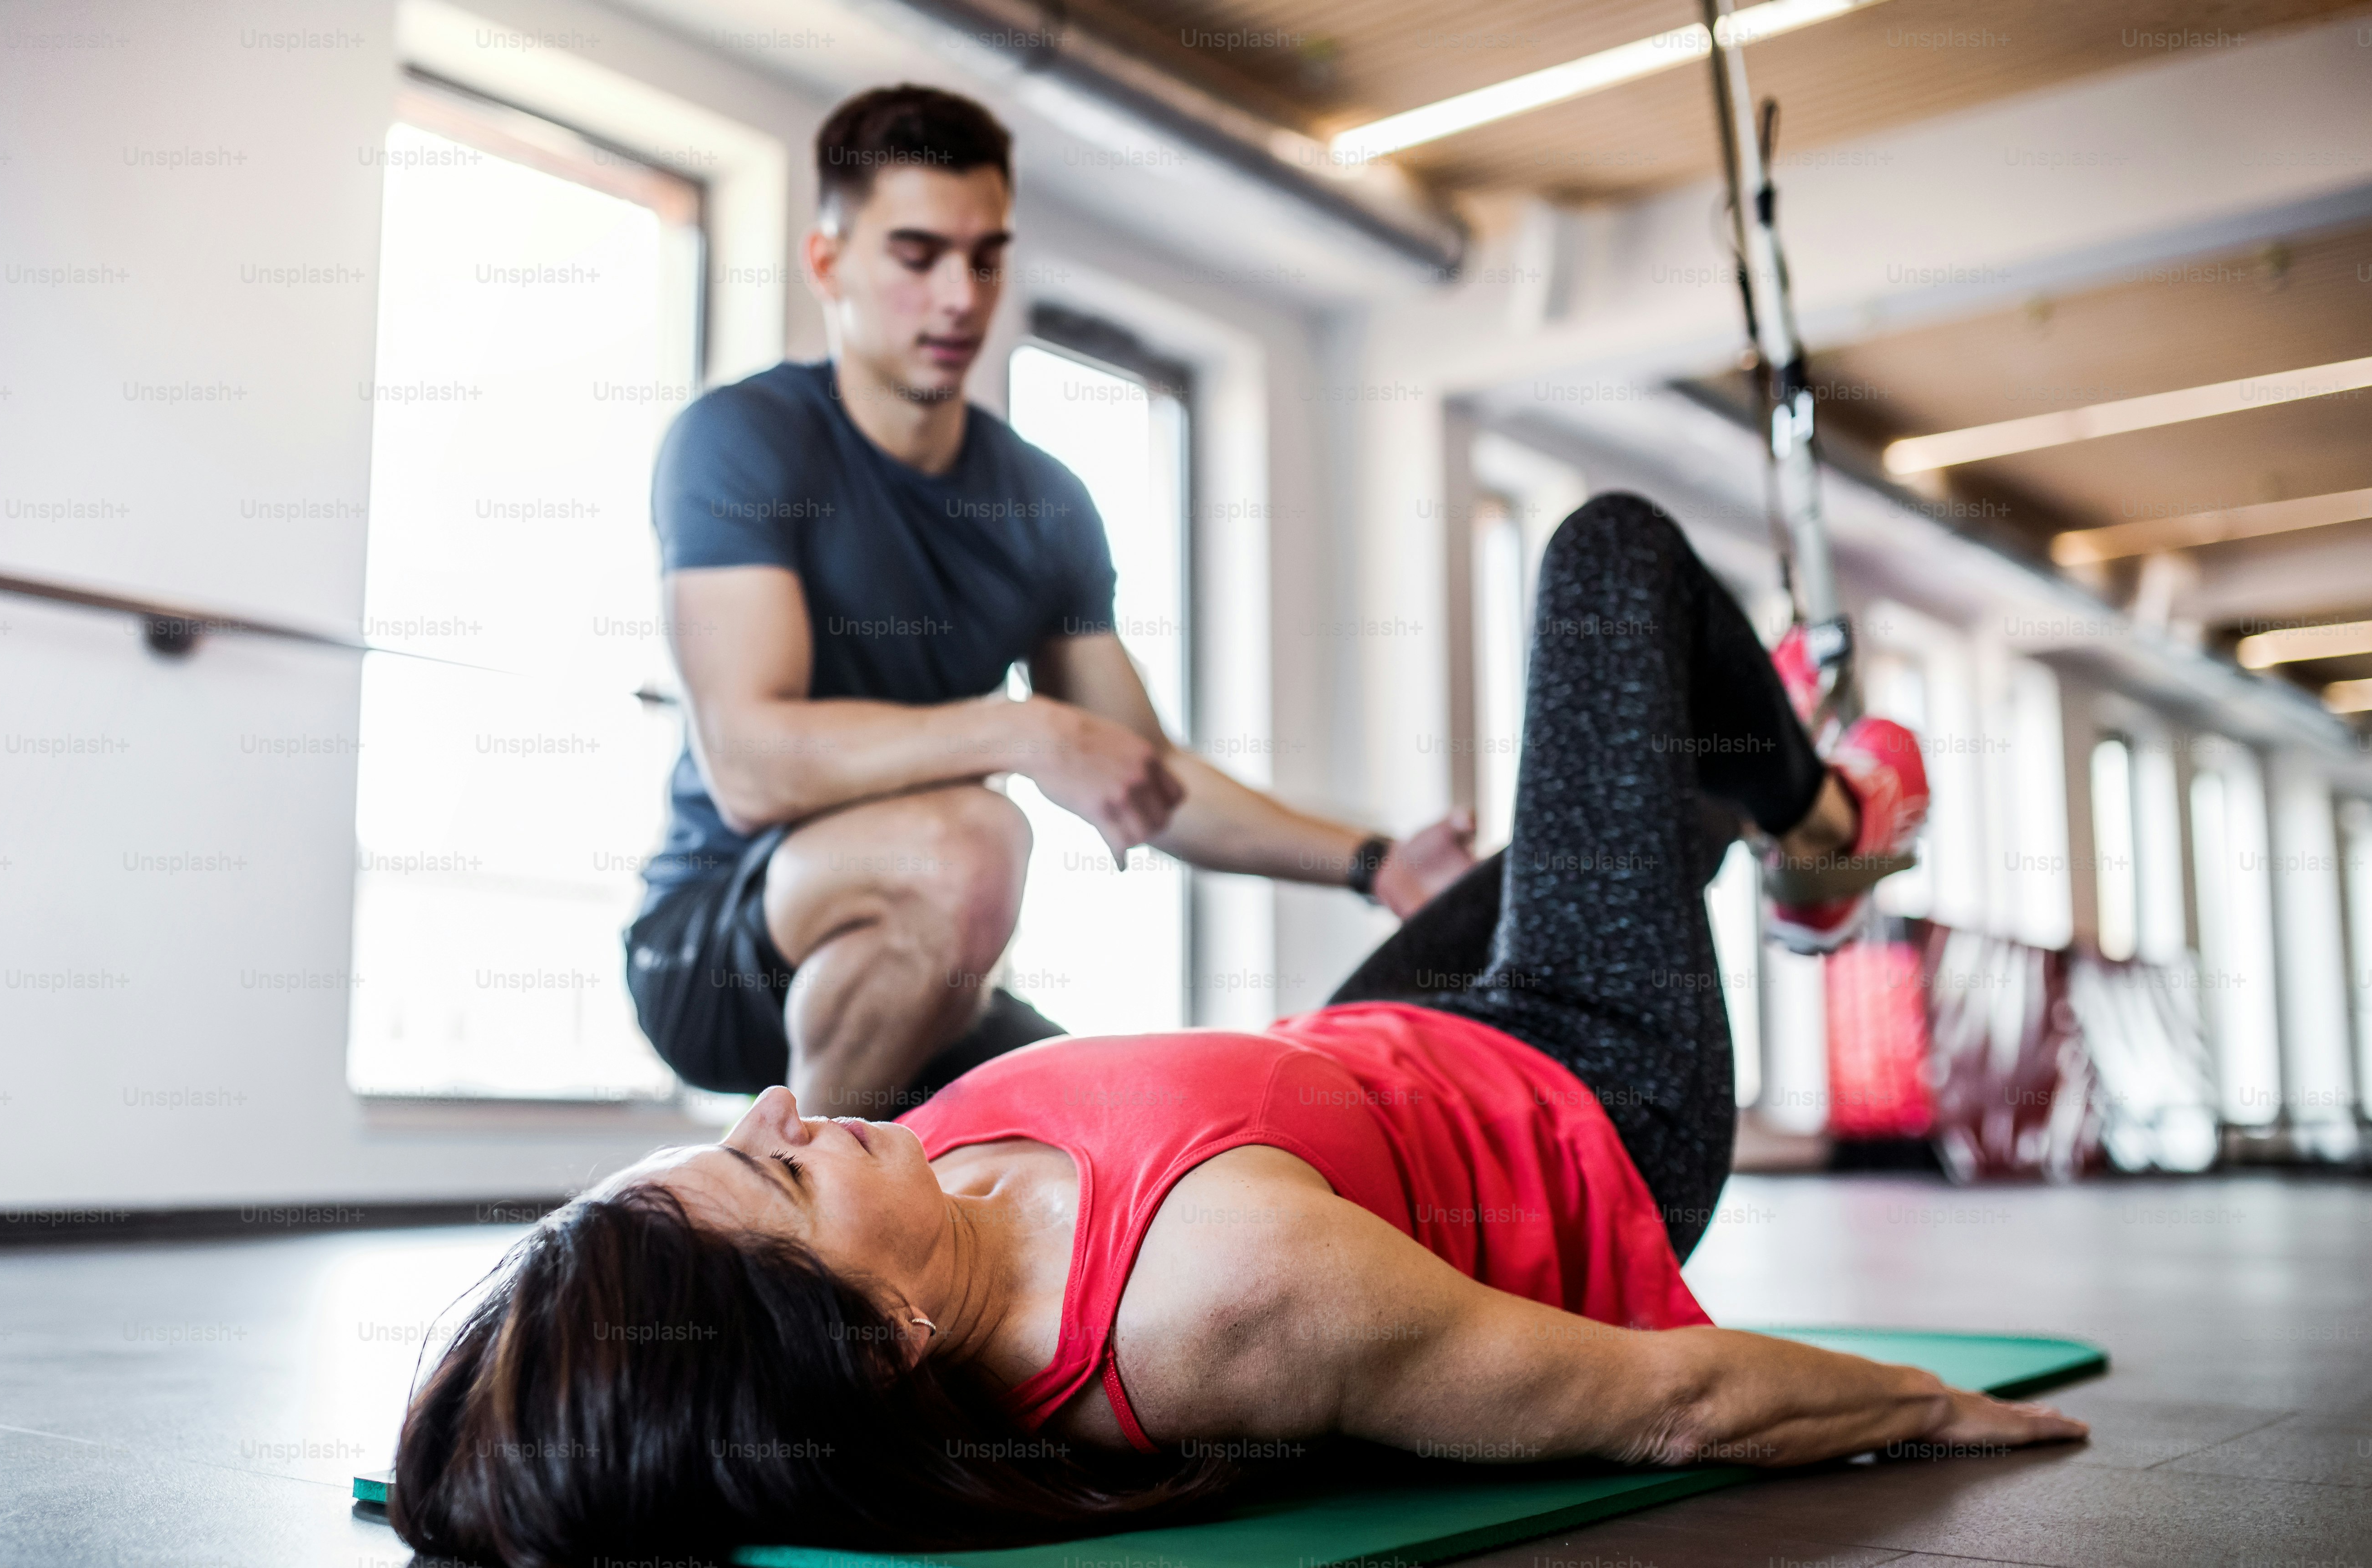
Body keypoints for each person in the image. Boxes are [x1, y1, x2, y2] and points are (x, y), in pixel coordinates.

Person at [393, 495, 2081, 1567]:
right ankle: (1821, 825)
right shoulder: (1218, 1294)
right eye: (773, 1179)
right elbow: (1668, 1406)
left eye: (739, 1134)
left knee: (1631, 788)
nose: (775, 1102)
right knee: (1609, 562)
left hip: (1382, 1043)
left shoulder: (920, 1202)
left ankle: (1747, 799)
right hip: (1587, 1080)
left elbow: (556, 1426)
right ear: (887, 1334)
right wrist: (1922, 1409)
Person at [628, 83, 1474, 1114]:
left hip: (929, 963)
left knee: (1139, 1121)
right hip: (716, 945)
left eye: (986, 258)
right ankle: (790, 1233)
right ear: (827, 262)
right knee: (978, 840)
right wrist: (1022, 731)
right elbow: (753, 765)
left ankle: (851, 1190)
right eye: (917, 254)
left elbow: (1143, 774)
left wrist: (1373, 863)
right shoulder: (745, 439)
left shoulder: (1042, 503)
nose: (960, 297)